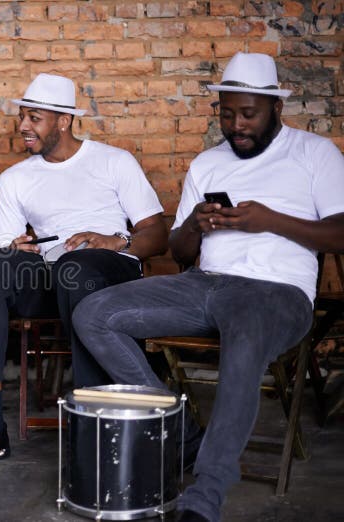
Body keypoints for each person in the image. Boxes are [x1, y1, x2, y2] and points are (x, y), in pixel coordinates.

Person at [73, 52, 344, 522]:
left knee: (243, 342)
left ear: (275, 108)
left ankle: (203, 501)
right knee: (92, 314)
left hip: (275, 292)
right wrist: (196, 226)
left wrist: (268, 220)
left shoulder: (314, 153)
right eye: (226, 112)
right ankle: (181, 434)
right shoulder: (207, 163)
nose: (236, 125)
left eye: (247, 114)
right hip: (203, 284)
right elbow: (177, 252)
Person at [0, 73, 168, 455]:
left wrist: (117, 241)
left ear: (63, 120)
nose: (23, 126)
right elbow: (3, 246)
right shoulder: (15, 179)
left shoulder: (113, 162)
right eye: (22, 117)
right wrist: (14, 248)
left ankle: (92, 421)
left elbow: (157, 234)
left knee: (77, 266)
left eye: (34, 118)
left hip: (109, 272)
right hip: (51, 274)